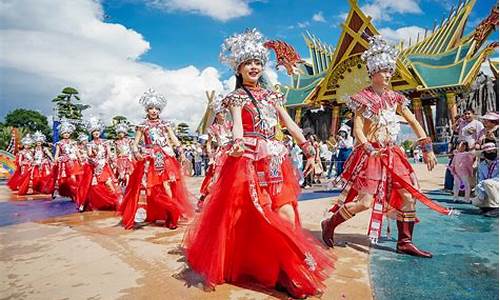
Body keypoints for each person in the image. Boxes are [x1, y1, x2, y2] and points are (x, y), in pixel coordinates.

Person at [184, 29, 333, 298]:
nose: (254, 67)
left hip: (276, 160)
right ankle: (283, 273)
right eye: (248, 63)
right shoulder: (236, 98)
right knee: (259, 216)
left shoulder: (273, 96)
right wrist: (237, 144)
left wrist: (309, 149)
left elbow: (289, 124)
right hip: (249, 161)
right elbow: (239, 127)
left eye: (258, 63)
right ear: (239, 69)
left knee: (286, 214)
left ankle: (288, 267)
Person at [321, 35, 452, 258]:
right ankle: (330, 223)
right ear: (372, 73)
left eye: (390, 71)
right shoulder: (362, 99)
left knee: (409, 195)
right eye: (383, 71)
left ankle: (405, 241)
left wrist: (426, 147)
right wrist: (368, 148)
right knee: (365, 202)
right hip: (371, 155)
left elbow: (412, 121)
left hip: (393, 153)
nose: (388, 75)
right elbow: (358, 130)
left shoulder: (396, 98)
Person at [119, 89, 193, 230]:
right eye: (151, 108)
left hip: (164, 157)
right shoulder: (143, 126)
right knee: (150, 190)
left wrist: (181, 152)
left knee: (167, 185)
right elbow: (135, 144)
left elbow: (174, 139)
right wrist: (136, 152)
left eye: (156, 108)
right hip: (150, 159)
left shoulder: (165, 124)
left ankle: (172, 214)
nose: (154, 111)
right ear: (147, 110)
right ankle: (160, 213)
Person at [77, 117, 121, 212]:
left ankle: (118, 202)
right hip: (95, 166)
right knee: (94, 187)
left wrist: (113, 160)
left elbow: (109, 153)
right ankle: (93, 203)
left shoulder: (105, 142)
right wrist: (93, 152)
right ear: (91, 133)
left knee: (109, 183)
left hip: (104, 166)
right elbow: (89, 154)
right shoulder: (90, 144)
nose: (96, 133)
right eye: (94, 131)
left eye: (97, 131)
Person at [198, 97, 232, 209]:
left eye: (224, 112)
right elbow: (208, 143)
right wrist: (211, 157)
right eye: (221, 112)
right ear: (216, 115)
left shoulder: (231, 124)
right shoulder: (213, 128)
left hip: (232, 152)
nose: (223, 114)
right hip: (221, 154)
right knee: (215, 178)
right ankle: (204, 198)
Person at [53, 120, 83, 201]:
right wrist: (55, 160)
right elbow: (57, 153)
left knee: (76, 179)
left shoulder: (73, 143)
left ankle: (77, 195)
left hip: (74, 162)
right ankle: (73, 194)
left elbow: (77, 152)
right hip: (65, 164)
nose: (66, 134)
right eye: (64, 133)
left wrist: (81, 161)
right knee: (70, 180)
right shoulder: (59, 143)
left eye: (68, 133)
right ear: (62, 134)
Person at [473, 142, 498, 217]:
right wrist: (481, 190)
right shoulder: (481, 165)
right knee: (475, 202)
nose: (492, 152)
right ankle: (488, 206)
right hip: (487, 187)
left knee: (488, 183)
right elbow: (480, 179)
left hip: (496, 186)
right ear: (484, 154)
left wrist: (484, 183)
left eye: (493, 151)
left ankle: (497, 207)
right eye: (489, 151)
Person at [113, 122, 135, 188]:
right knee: (121, 175)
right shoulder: (116, 142)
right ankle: (118, 186)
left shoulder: (128, 140)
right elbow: (116, 152)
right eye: (119, 133)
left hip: (128, 159)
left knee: (128, 174)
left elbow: (132, 148)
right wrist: (115, 159)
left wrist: (132, 156)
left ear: (125, 133)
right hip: (120, 159)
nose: (120, 134)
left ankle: (127, 187)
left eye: (122, 132)